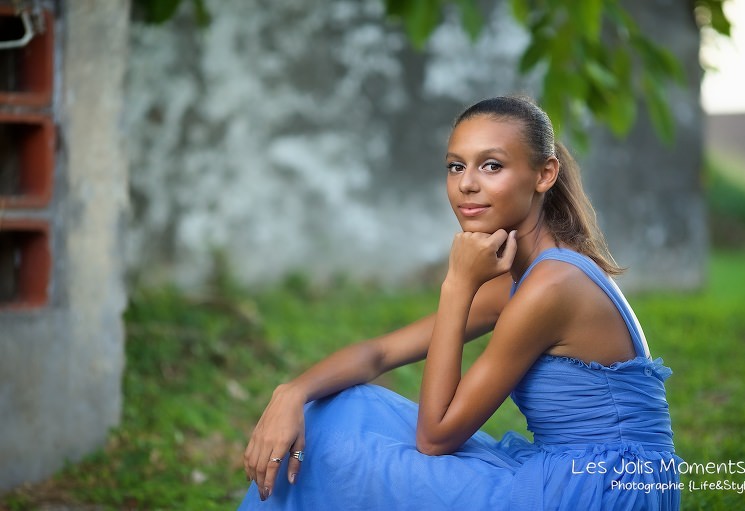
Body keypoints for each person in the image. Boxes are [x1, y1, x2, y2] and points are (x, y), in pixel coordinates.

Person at [238, 95, 682, 510]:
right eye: (455, 166)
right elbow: (381, 352)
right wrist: (290, 393)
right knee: (339, 407)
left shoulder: (553, 285)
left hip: (602, 492)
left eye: (491, 166)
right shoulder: (526, 277)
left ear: (544, 174)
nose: (466, 184)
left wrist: (457, 285)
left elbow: (436, 437)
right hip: (583, 476)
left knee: (334, 445)